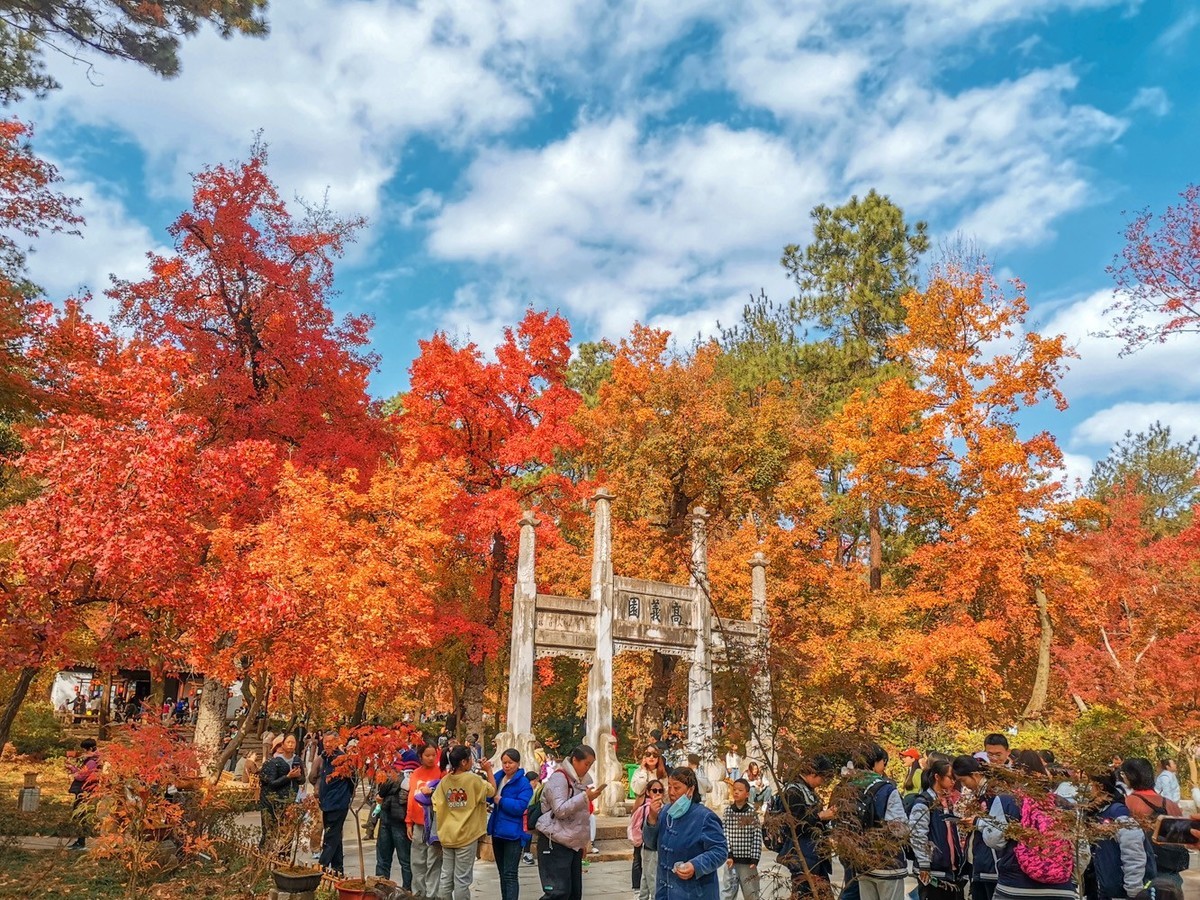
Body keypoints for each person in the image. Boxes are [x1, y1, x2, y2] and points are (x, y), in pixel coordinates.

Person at [977, 750, 1084, 900]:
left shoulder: (1006, 801)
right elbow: (1081, 849)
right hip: (1061, 889)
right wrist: (1068, 872)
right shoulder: (1065, 804)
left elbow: (993, 840)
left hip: (1015, 886)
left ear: (1017, 773)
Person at [535, 744, 604, 900]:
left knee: (573, 893)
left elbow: (581, 817)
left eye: (590, 765)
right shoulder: (559, 778)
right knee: (557, 893)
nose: (588, 768)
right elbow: (560, 810)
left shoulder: (580, 782)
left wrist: (583, 843)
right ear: (575, 760)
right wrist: (585, 797)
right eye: (586, 764)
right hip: (555, 841)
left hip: (573, 843)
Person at [650, 765, 728, 900]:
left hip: (695, 893)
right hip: (666, 892)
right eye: (669, 786)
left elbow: (720, 851)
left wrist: (695, 865)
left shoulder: (704, 817)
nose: (671, 792)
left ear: (690, 789)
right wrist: (651, 819)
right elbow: (650, 843)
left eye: (677, 787)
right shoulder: (665, 813)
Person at [433, 745, 496, 900]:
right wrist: (488, 770)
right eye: (470, 759)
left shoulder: (444, 781)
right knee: (462, 879)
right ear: (463, 762)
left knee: (446, 876)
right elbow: (491, 791)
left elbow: (436, 802)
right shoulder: (473, 780)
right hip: (466, 835)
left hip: (447, 835)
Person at [851, 743, 908, 900]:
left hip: (860, 859)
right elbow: (899, 827)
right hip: (888, 861)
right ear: (876, 762)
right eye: (884, 762)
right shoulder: (886, 789)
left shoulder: (847, 787)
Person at [1120, 758, 1188, 889]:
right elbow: (1182, 838)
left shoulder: (1129, 803)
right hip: (1172, 870)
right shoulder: (1171, 804)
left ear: (1129, 777)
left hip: (1146, 869)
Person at [1089, 770, 1154, 900]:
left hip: (1120, 892)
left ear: (1098, 786)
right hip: (1103, 889)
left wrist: (1134, 892)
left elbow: (1133, 853)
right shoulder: (1096, 813)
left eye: (1088, 783)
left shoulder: (1119, 813)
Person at [907, 757, 963, 900]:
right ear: (937, 777)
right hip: (933, 870)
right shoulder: (924, 802)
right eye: (950, 777)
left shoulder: (948, 802)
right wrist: (924, 864)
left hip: (950, 870)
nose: (953, 782)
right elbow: (918, 835)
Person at [489, 749, 534, 900]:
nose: (507, 766)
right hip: (497, 831)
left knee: (510, 874)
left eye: (510, 762)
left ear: (518, 763)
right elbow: (489, 794)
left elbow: (521, 806)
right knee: (502, 873)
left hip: (513, 833)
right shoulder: (499, 777)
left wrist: (501, 800)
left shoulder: (523, 783)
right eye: (504, 762)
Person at [407, 742, 445, 897]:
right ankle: (418, 893)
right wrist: (408, 821)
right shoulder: (416, 773)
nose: (431, 758)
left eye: (433, 755)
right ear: (420, 756)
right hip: (418, 823)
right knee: (417, 861)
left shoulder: (442, 773)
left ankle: (432, 894)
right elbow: (411, 797)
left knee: (434, 861)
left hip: (435, 823)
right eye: (427, 755)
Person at [632, 746, 671, 891]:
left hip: (659, 813)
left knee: (655, 850)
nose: (651, 757)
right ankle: (637, 888)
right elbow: (637, 789)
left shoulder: (663, 774)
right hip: (641, 813)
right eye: (648, 754)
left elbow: (666, 795)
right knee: (638, 853)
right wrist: (643, 771)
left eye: (655, 754)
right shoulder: (638, 772)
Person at [316, 732, 353, 876]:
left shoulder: (342, 759)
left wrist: (345, 796)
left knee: (331, 835)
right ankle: (338, 868)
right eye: (325, 741)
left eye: (331, 741)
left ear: (337, 742)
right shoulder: (324, 757)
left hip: (338, 802)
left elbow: (351, 780)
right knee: (335, 834)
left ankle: (322, 864)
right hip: (326, 802)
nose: (327, 744)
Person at [376, 756, 415, 890]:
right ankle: (383, 889)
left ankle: (406, 890)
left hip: (399, 819)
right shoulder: (392, 761)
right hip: (390, 817)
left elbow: (383, 791)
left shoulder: (405, 762)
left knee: (403, 859)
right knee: (386, 858)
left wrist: (382, 794)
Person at [259, 734, 303, 850]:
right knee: (269, 833)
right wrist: (288, 777)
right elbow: (271, 783)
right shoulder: (272, 762)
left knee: (287, 833)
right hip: (272, 802)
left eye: (293, 742)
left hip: (289, 801)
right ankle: (263, 858)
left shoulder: (297, 760)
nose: (290, 745)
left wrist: (298, 777)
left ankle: (283, 859)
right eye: (287, 742)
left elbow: (302, 780)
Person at [721, 778, 762, 900]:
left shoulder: (751, 813)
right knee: (728, 891)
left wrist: (754, 858)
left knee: (751, 892)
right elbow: (725, 833)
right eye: (734, 790)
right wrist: (728, 854)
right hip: (731, 860)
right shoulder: (728, 811)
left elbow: (756, 836)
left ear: (747, 794)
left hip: (748, 862)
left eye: (740, 790)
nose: (736, 792)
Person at [630, 778, 665, 900]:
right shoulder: (643, 808)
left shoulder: (665, 808)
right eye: (654, 790)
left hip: (659, 847)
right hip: (646, 846)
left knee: (648, 876)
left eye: (660, 791)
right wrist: (638, 840)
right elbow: (634, 826)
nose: (657, 793)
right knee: (649, 877)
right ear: (648, 792)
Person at [66, 738, 101, 850]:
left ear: (90, 749)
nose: (84, 753)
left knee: (81, 815)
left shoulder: (91, 762)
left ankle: (81, 841)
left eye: (85, 750)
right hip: (84, 790)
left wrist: (73, 770)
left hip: (84, 791)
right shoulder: (94, 760)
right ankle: (80, 840)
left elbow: (81, 776)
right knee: (80, 815)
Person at [523, 771, 542, 865]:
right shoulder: (528, 790)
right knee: (527, 834)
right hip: (525, 815)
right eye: (535, 781)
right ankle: (526, 854)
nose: (536, 784)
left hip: (526, 815)